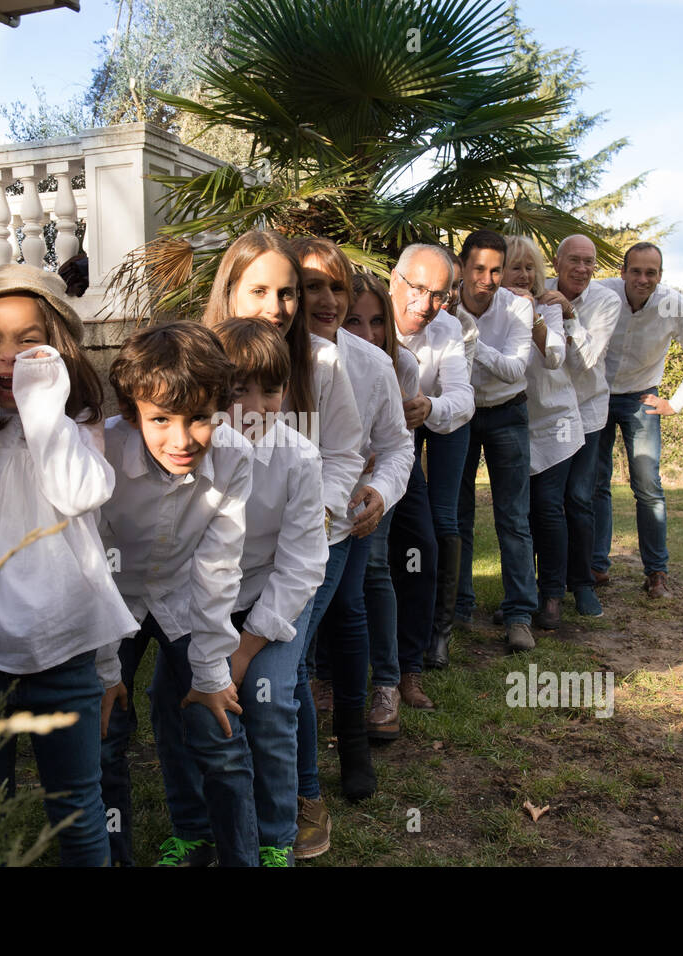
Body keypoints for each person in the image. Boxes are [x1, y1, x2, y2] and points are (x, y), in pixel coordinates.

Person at [0, 264, 134, 867]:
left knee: (77, 803)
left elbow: (77, 492)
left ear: (58, 349)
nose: (7, 357)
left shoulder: (76, 426)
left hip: (63, 651)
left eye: (27, 340)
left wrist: (43, 406)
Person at [202, 229, 363, 859]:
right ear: (230, 291)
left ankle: (299, 799)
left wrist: (320, 514)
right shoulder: (205, 361)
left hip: (307, 548)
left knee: (275, 680)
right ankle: (219, 820)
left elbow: (345, 452)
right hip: (223, 569)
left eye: (288, 292)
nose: (278, 306)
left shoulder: (319, 364)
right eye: (260, 290)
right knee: (217, 690)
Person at [154, 316, 327, 867]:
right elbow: (174, 554)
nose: (254, 406)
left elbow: (301, 565)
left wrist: (246, 650)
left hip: (267, 606)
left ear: (287, 391)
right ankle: (195, 828)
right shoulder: (188, 451)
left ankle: (275, 838)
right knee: (172, 701)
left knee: (269, 698)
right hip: (196, 604)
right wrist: (204, 645)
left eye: (270, 390)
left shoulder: (299, 458)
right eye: (235, 392)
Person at [97, 322, 258, 867]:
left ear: (221, 407)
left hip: (182, 595)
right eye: (160, 420)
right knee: (103, 736)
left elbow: (219, 566)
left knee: (219, 730)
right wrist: (103, 668)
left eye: (200, 419)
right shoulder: (104, 450)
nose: (182, 440)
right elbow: (89, 560)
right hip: (110, 598)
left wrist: (212, 672)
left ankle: (238, 856)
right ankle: (111, 857)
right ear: (130, 410)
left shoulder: (235, 458)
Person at [294, 237, 413, 804]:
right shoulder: (262, 353)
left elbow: (396, 446)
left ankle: (352, 744)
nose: (327, 299)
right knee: (298, 641)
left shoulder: (370, 363)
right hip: (275, 529)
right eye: (312, 285)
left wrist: (380, 491)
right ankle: (299, 776)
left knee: (347, 612)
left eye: (336, 286)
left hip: (344, 522)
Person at [595, 243, 683, 598]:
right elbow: (556, 281)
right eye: (636, 271)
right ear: (623, 271)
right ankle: (597, 565)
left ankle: (656, 572)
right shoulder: (601, 292)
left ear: (660, 276)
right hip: (597, 396)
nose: (643, 279)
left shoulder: (674, 304)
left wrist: (675, 403)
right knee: (595, 483)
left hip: (641, 398)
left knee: (647, 485)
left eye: (651, 272)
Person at [451, 228, 539, 653]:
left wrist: (471, 341)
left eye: (496, 270)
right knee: (458, 513)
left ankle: (520, 613)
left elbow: (515, 370)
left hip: (508, 412)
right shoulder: (445, 308)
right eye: (479, 269)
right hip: (462, 416)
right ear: (463, 266)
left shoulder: (518, 308)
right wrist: (465, 331)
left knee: (514, 517)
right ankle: (459, 606)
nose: (487, 279)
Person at [390, 242, 473, 677]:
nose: (426, 305)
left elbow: (463, 398)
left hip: (413, 436)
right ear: (394, 280)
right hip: (355, 451)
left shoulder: (448, 330)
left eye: (439, 295)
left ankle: (428, 641)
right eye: (417, 288)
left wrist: (429, 408)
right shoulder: (360, 318)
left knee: (428, 537)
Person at [345, 273, 420, 739]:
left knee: (374, 570)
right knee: (324, 583)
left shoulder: (400, 366)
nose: (368, 333)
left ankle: (387, 683)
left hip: (376, 485)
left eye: (377, 321)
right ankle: (324, 678)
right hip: (321, 485)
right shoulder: (318, 359)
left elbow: (396, 444)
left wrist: (376, 479)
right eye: (355, 320)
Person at [501, 235, 584, 630]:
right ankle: (524, 594)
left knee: (549, 508)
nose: (523, 274)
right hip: (516, 421)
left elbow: (553, 358)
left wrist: (531, 312)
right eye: (515, 266)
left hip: (557, 421)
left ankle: (552, 595)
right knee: (521, 512)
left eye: (529, 267)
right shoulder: (493, 308)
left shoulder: (549, 305)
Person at [544, 234, 621, 616]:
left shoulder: (606, 301)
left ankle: (583, 584)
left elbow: (588, 360)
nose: (582, 269)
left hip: (588, 412)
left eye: (589, 262)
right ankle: (550, 587)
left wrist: (570, 316)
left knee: (579, 497)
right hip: (549, 415)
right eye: (574, 260)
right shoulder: (538, 293)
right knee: (546, 503)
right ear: (556, 263)